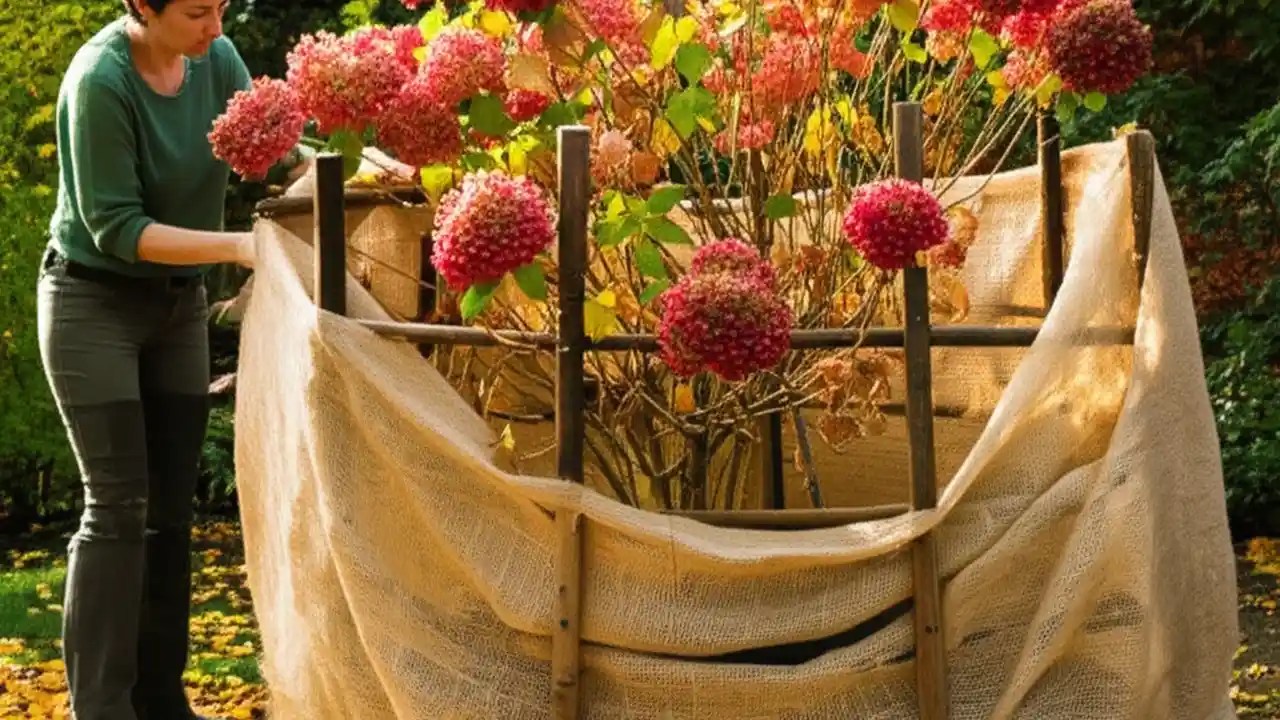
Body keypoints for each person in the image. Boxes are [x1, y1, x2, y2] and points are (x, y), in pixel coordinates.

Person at [37, 1, 269, 718]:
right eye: (199, 12)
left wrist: (340, 162)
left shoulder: (216, 60)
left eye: (223, 7)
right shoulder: (99, 82)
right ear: (142, 5)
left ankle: (162, 701)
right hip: (92, 305)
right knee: (117, 507)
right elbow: (117, 228)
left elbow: (269, 142)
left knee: (170, 513)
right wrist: (238, 246)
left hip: (178, 309)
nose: (218, 28)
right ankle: (101, 708)